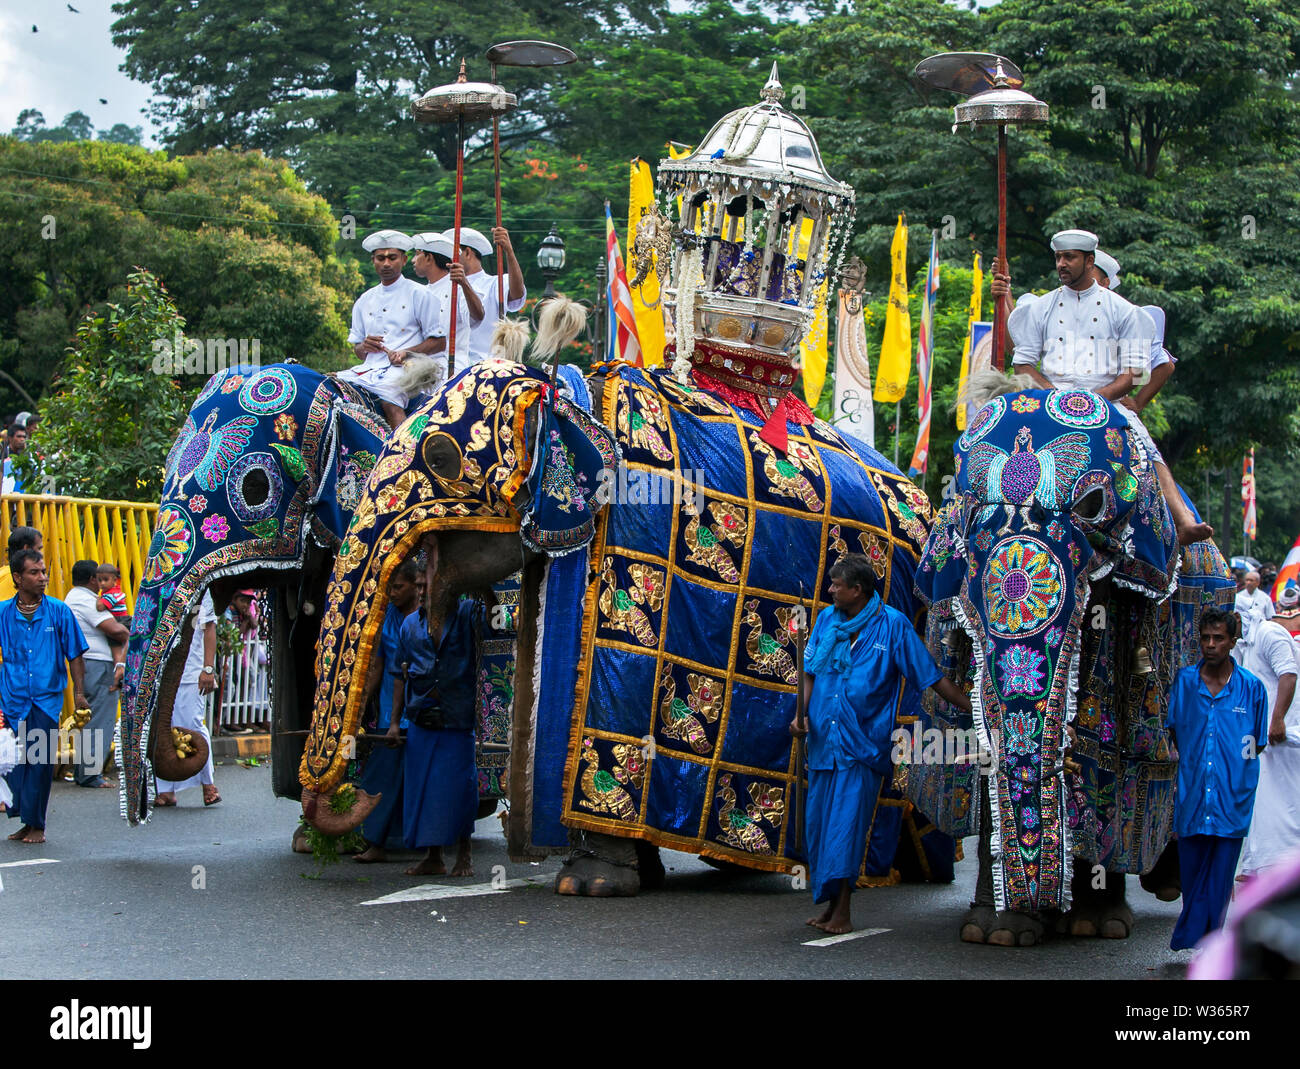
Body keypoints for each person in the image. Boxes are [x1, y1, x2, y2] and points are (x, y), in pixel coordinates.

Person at [790, 554, 972, 935]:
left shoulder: (893, 626)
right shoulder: (826, 620)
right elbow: (810, 672)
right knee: (820, 828)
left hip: (862, 747)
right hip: (824, 743)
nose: (830, 590)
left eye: (837, 585)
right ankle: (828, 907)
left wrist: (974, 707)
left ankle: (843, 911)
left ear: (858, 590)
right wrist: (801, 715)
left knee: (845, 828)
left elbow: (929, 676)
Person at [994, 229, 1211, 545]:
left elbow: (1135, 373)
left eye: (1069, 258)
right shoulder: (1041, 308)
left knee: (1146, 449)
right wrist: (1053, 394)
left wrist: (1096, 400)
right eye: (1058, 257)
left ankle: (1183, 520)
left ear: (1089, 260)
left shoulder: (1123, 310)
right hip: (1049, 400)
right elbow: (1023, 364)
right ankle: (965, 520)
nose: (1062, 264)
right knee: (996, 432)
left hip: (1107, 402)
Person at [1167, 608, 1270, 951]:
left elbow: (1257, 744)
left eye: (1219, 639)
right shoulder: (1184, 682)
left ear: (1232, 640)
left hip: (1232, 798)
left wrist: (1238, 781)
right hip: (1192, 796)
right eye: (1206, 638)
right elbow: (1173, 733)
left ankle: (1211, 946)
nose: (1211, 645)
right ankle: (1200, 939)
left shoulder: (1252, 689)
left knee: (1221, 877)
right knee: (1194, 875)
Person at [1, 550, 91, 843]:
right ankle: (25, 821)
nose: (43, 578)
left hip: (45, 699)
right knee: (14, 762)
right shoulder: (3, 613)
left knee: (39, 762)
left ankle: (37, 825)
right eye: (34, 573)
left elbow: (75, 654)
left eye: (43, 572)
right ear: (17, 578)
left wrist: (79, 693)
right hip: (12, 698)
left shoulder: (58, 611)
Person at [394, 581, 479, 877]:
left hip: (457, 717)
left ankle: (464, 854)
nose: (423, 591)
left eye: (428, 585)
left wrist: (483, 586)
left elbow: (496, 622)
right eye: (420, 585)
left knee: (461, 787)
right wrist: (395, 723)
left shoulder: (467, 613)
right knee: (425, 789)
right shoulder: (409, 625)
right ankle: (434, 857)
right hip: (421, 717)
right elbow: (399, 673)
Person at [354, 559, 424, 863]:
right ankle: (375, 841)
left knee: (411, 779)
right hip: (388, 710)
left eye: (399, 586)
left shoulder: (426, 618)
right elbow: (378, 665)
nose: (393, 593)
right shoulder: (387, 618)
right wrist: (358, 707)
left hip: (421, 709)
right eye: (390, 587)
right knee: (382, 776)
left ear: (414, 586)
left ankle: (399, 841)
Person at [344, 229, 444, 429]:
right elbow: (358, 352)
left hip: (407, 371)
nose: (386, 263)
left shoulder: (420, 294)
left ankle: (402, 454)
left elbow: (439, 342)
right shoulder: (364, 300)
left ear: (404, 260)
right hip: (368, 370)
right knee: (332, 385)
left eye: (392, 257)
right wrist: (364, 347)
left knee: (389, 398)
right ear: (373, 261)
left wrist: (407, 353)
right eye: (381, 258)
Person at [1233, 612, 1300, 879]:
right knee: (1262, 798)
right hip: (1264, 736)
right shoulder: (1245, 645)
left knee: (1284, 801)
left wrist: (1278, 720)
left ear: (1238, 617)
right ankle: (1255, 863)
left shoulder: (1268, 634)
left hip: (1281, 732)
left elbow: (1288, 674)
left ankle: (1279, 863)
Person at [63, 559, 130, 788]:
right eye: (99, 579)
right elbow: (115, 630)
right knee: (100, 719)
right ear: (92, 579)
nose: (102, 584)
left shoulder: (76, 597)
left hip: (91, 663)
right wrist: (130, 632)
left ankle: (87, 772)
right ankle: (90, 775)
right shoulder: (83, 599)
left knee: (95, 718)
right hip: (98, 664)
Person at [155, 591, 221, 807]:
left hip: (191, 671)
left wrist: (208, 669)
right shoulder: (160, 584)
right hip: (163, 672)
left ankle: (208, 784)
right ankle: (165, 790)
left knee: (193, 725)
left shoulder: (200, 588)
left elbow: (209, 628)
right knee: (163, 728)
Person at [439, 225, 527, 366]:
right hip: (448, 364)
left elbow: (517, 294)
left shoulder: (494, 283)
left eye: (451, 252)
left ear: (467, 253)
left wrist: (509, 251)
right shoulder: (442, 288)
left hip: (486, 364)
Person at [410, 231, 483, 376]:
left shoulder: (459, 288)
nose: (413, 260)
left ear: (429, 258)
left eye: (417, 254)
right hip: (419, 368)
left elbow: (477, 318)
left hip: (451, 369)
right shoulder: (420, 292)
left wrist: (464, 284)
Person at [95, 562, 132, 662]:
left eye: (106, 579)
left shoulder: (112, 594)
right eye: (99, 580)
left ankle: (119, 668)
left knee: (116, 650)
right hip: (119, 620)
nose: (102, 583)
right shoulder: (110, 593)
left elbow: (100, 607)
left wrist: (98, 599)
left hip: (120, 621)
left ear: (114, 580)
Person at [0, 526, 41, 602]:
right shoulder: (11, 578)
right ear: (26, 549)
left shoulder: (7, 572)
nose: (41, 554)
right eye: (39, 549)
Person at [2, 424, 27, 494]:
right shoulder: (3, 454)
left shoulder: (28, 455)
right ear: (10, 438)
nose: (22, 439)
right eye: (19, 436)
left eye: (24, 437)